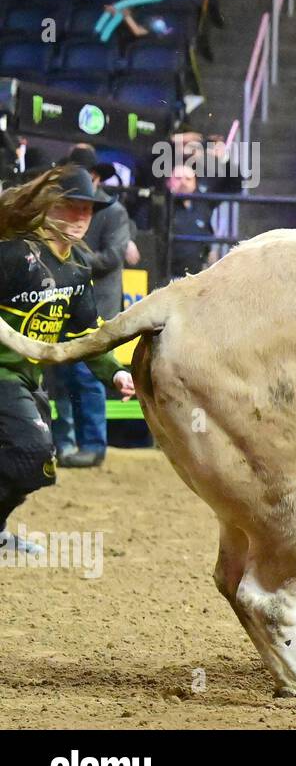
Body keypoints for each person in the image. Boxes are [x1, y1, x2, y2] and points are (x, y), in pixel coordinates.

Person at [0, 166, 135, 555]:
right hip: (2, 375)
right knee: (33, 452)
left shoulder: (77, 269)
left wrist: (117, 374)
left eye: (86, 210)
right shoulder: (12, 254)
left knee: (37, 465)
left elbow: (84, 333)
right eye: (71, 207)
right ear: (48, 207)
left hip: (28, 379)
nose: (80, 218)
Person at [45, 149, 131, 469]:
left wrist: (68, 259)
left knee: (84, 374)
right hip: (64, 302)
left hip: (97, 302)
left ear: (95, 177)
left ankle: (93, 444)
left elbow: (112, 257)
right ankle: (65, 442)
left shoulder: (115, 213)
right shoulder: (68, 214)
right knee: (63, 375)